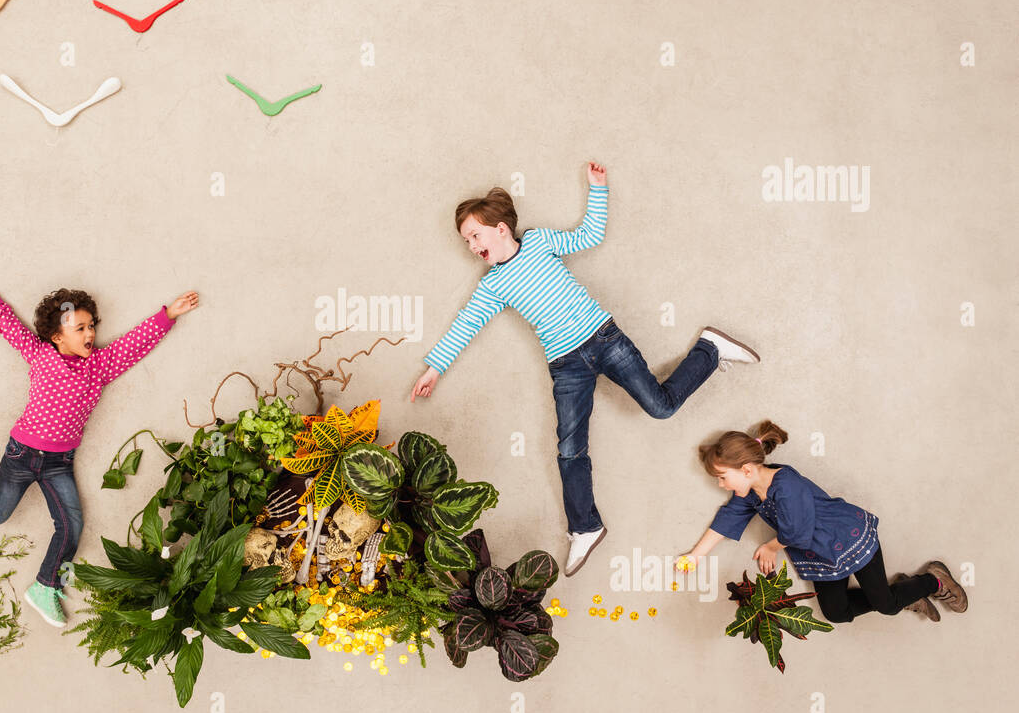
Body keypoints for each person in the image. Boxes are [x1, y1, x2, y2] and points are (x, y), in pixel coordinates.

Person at [410, 161, 760, 576]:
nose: (471, 245)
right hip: (565, 365)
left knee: (661, 407)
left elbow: (589, 235)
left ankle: (710, 349)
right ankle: (585, 527)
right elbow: (466, 325)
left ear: (500, 228)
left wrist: (598, 189)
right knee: (569, 448)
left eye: (474, 235)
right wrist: (434, 369)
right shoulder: (493, 285)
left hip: (604, 339)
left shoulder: (539, 242)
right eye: (466, 241)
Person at [0, 267, 198, 627]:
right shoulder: (41, 355)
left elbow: (134, 344)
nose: (90, 333)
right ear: (57, 337)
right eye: (80, 328)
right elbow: (8, 325)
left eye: (92, 326)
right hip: (22, 455)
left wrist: (167, 316)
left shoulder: (100, 367)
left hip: (60, 462)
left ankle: (45, 586)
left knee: (71, 526)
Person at [679, 420, 968, 622]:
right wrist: (695, 556)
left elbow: (797, 530)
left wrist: (771, 547)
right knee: (836, 613)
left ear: (745, 470)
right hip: (822, 555)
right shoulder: (750, 491)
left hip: (849, 538)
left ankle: (931, 581)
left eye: (722, 478)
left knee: (887, 607)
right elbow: (727, 517)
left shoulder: (787, 486)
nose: (721, 485)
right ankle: (902, 594)